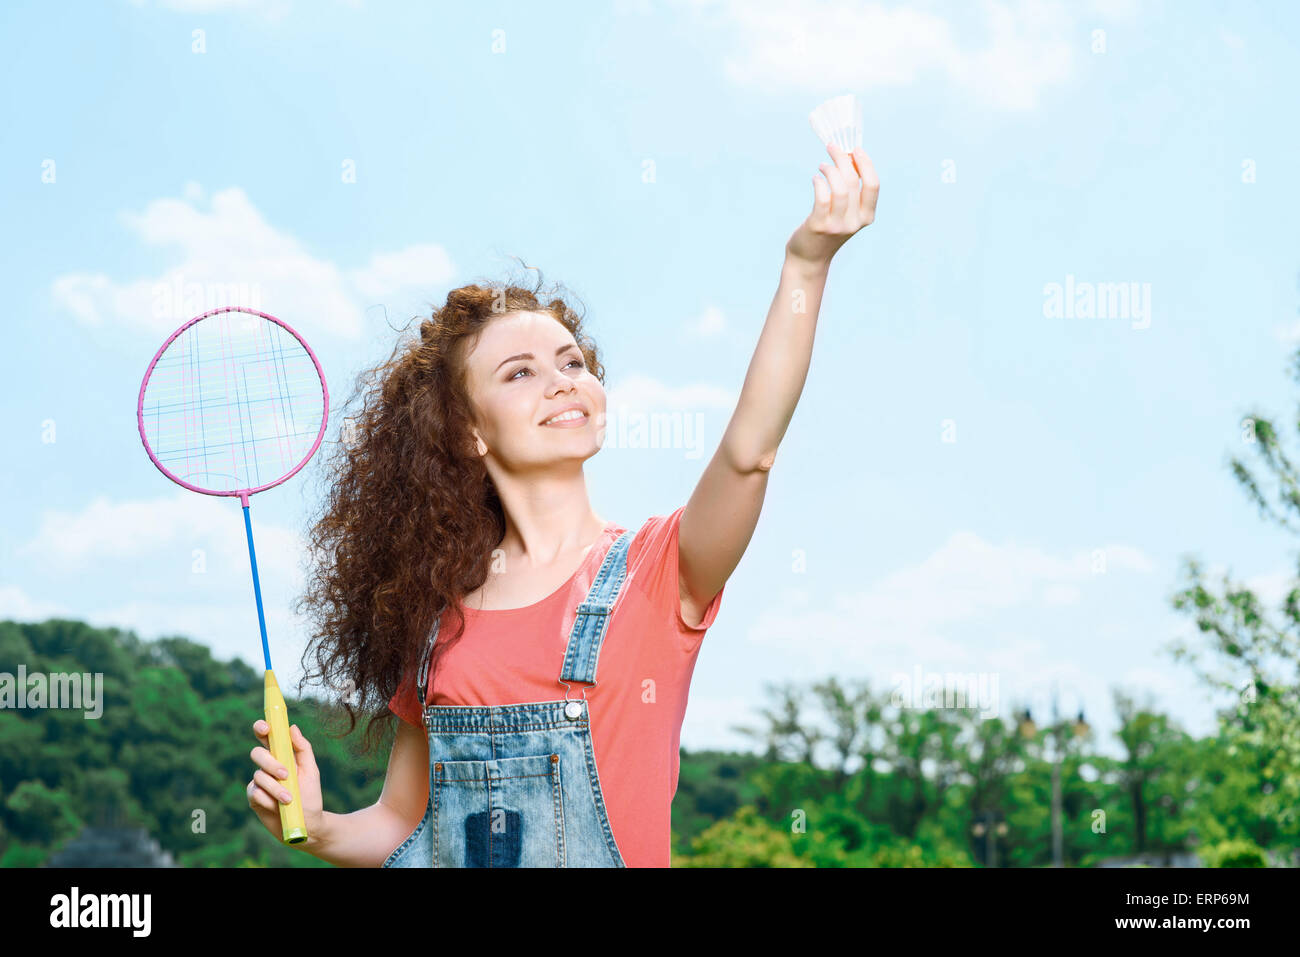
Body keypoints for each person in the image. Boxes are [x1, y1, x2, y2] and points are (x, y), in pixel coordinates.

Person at [245, 141, 879, 867]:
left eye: (573, 362)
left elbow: (750, 452)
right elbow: (402, 824)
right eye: (520, 372)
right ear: (469, 431)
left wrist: (806, 265)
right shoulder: (433, 621)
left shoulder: (657, 570)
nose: (561, 380)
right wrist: (318, 824)